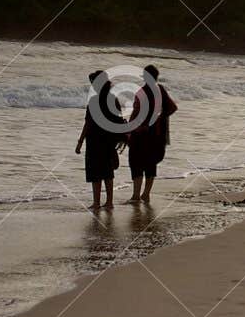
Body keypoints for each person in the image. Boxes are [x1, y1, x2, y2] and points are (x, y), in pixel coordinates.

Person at [125, 65, 178, 204]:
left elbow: (136, 114)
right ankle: (146, 194)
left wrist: (129, 130)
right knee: (150, 164)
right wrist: (159, 119)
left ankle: (136, 195)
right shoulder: (160, 90)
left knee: (135, 162)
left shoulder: (142, 92)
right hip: (157, 135)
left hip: (141, 134)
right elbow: (172, 108)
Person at [76, 70, 123, 210]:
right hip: (109, 140)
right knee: (108, 172)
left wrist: (80, 142)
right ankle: (109, 202)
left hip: (94, 140)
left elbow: (88, 123)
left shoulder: (93, 101)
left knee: (95, 172)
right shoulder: (113, 99)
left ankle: (96, 202)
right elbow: (118, 120)